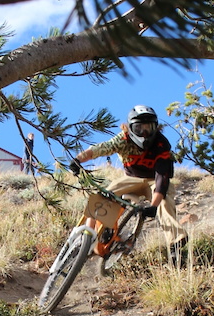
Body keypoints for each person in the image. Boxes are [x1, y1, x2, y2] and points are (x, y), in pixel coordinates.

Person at [69, 105, 187, 265]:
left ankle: (176, 245)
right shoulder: (124, 139)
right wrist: (78, 160)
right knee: (104, 196)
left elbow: (162, 178)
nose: (144, 133)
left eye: (149, 128)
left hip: (154, 181)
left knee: (165, 203)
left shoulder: (161, 145)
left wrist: (154, 205)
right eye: (139, 128)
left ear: (155, 127)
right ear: (131, 128)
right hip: (131, 179)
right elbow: (100, 149)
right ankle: (92, 235)